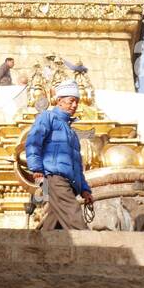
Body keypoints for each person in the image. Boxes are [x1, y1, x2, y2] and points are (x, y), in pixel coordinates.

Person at [26, 82, 94, 231]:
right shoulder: (47, 117)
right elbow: (33, 142)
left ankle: (37, 249)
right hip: (54, 177)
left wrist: (84, 189)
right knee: (72, 213)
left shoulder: (72, 133)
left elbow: (77, 164)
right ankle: (90, 245)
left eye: (77, 101)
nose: (75, 105)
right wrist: (36, 168)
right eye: (71, 101)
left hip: (70, 181)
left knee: (54, 223)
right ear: (59, 100)